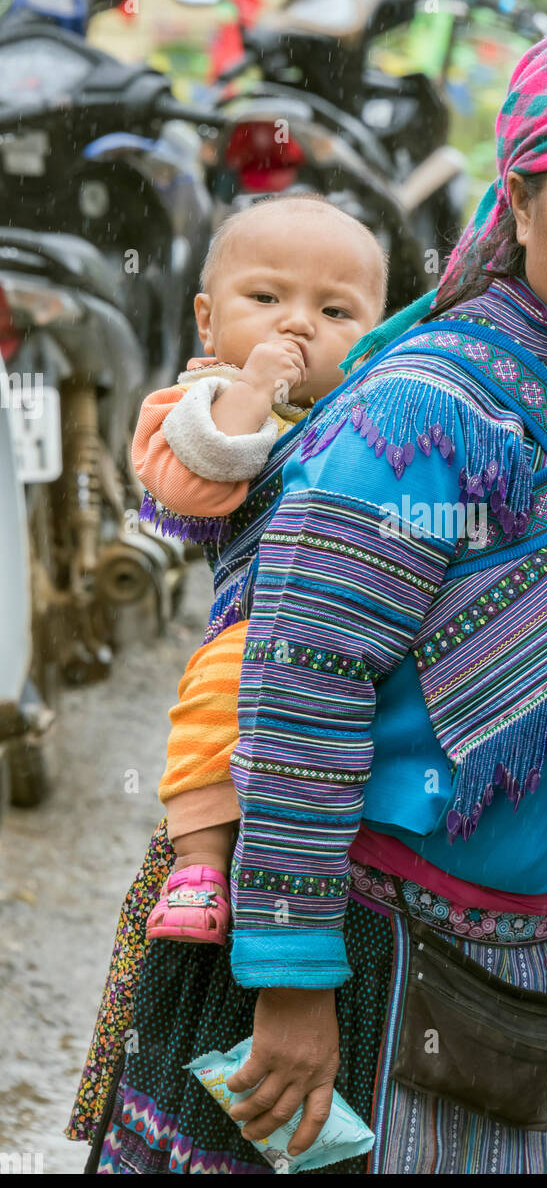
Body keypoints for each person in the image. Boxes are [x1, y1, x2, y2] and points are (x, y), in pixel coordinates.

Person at [69, 23, 547, 1175]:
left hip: (540, 984)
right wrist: (291, 980)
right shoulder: (421, 415)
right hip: (353, 953)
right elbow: (303, 683)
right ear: (521, 203)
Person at [128, 194, 387, 940]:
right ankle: (199, 866)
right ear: (208, 320)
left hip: (360, 623)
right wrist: (253, 391)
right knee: (213, 704)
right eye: (267, 298)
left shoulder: (373, 410)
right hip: (256, 622)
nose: (297, 324)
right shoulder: (196, 400)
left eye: (335, 311)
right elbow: (193, 486)